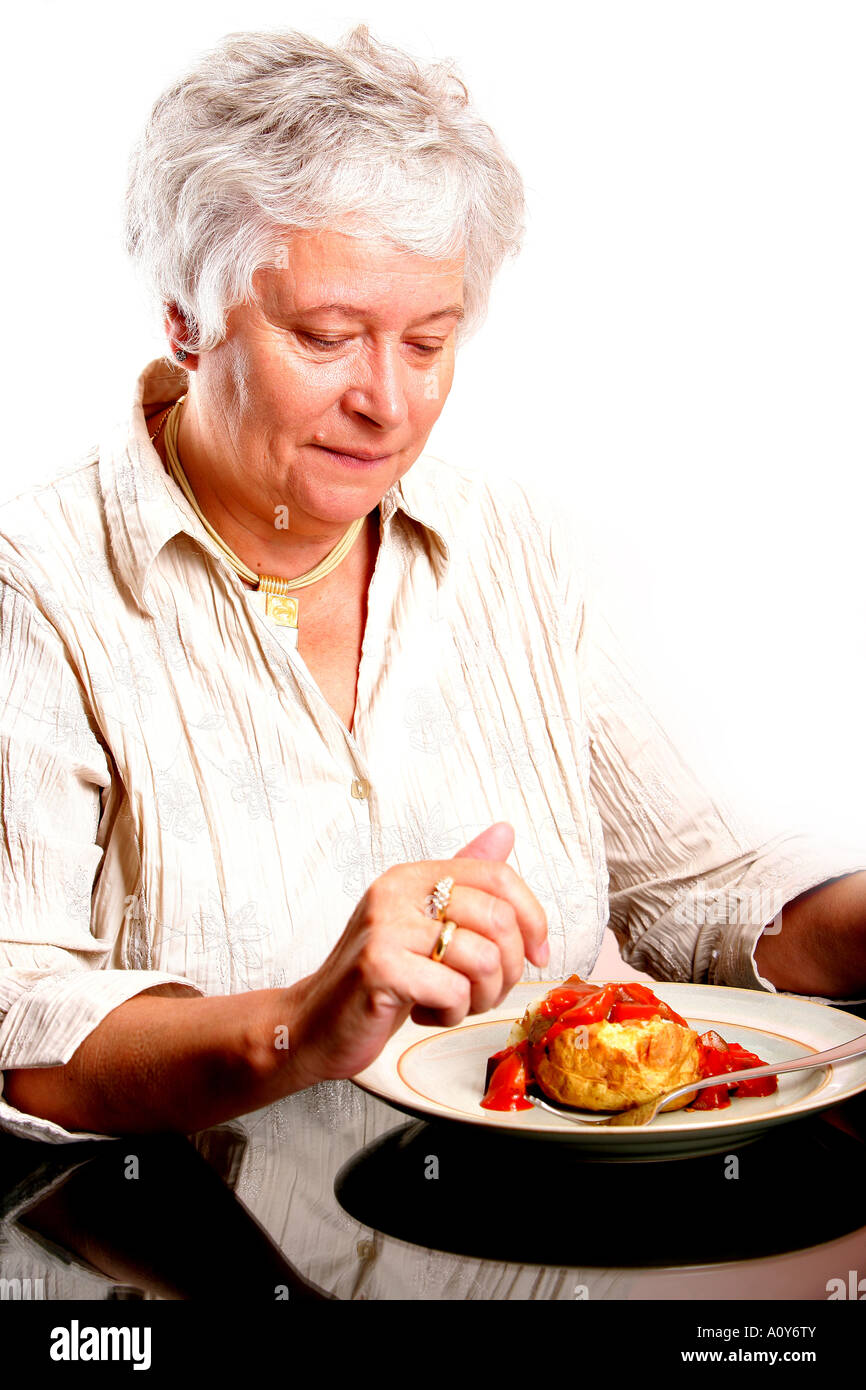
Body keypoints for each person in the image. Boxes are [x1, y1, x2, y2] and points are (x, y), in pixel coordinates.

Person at [0, 24, 864, 1145]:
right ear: (184, 319)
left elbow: (699, 899)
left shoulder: (510, 546)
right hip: (176, 1263)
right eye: (325, 336)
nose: (387, 403)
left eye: (425, 342)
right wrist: (295, 1024)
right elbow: (18, 1026)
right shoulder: (42, 589)